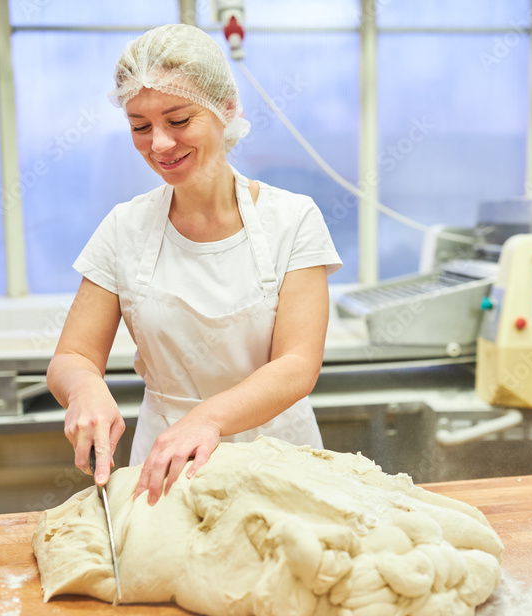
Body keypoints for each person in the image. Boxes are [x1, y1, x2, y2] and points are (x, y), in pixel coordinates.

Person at [47, 24, 342, 505]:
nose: (159, 144)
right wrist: (83, 389)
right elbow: (72, 357)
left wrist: (206, 418)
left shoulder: (292, 219)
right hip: (167, 468)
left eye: (178, 120)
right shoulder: (125, 228)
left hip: (281, 462)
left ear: (225, 109)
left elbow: (297, 365)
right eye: (139, 126)